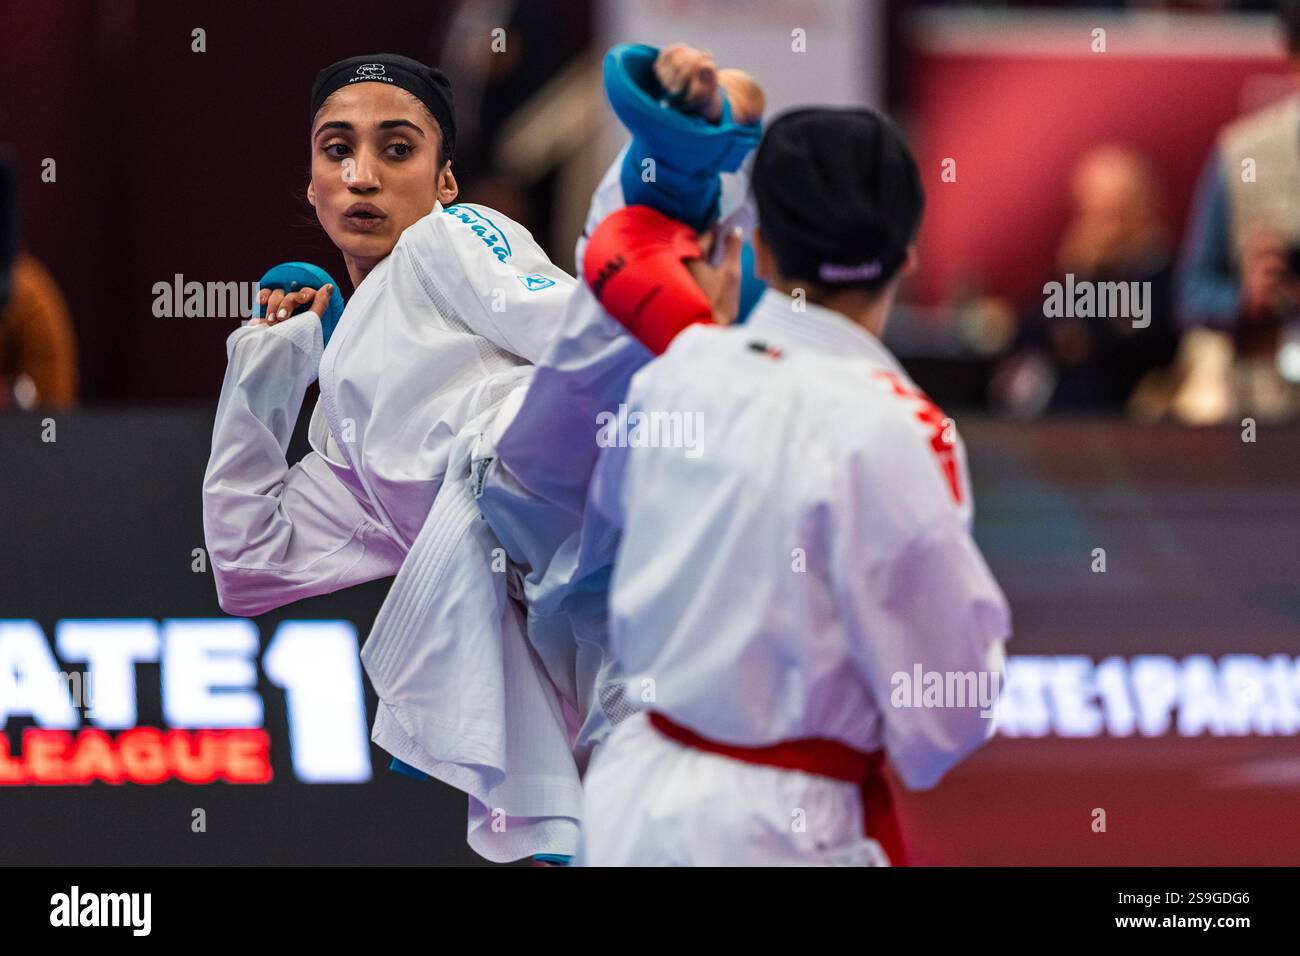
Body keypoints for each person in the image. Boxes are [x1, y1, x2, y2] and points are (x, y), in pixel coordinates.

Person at [202, 46, 761, 862]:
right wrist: (272, 365)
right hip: (585, 616)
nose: (362, 175)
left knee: (572, 380)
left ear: (445, 182)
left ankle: (673, 168)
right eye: (337, 150)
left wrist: (673, 338)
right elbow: (244, 561)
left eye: (397, 149)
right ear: (312, 184)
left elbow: (568, 329)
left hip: (567, 467)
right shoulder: (344, 443)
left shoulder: (449, 236)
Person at [574, 108, 1012, 866]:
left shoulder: (672, 375)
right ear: (908, 255)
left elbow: (603, 549)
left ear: (760, 247)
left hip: (628, 798)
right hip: (779, 827)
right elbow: (944, 710)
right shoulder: (897, 428)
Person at [1173, 0, 1300, 422]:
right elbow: (1191, 294)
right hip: (1269, 410)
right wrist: (1246, 299)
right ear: (1291, 56)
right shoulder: (1241, 154)